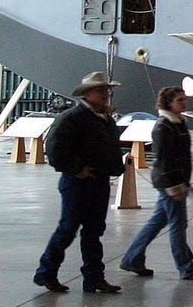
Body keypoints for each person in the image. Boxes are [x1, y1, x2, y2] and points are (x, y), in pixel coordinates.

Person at [34, 71, 127, 294]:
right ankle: (46, 273)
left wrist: (114, 168)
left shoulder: (104, 118)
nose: (106, 94)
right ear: (87, 94)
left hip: (99, 181)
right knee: (67, 230)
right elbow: (54, 149)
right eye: (101, 90)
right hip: (77, 183)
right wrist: (78, 170)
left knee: (94, 232)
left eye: (107, 90)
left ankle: (94, 278)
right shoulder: (72, 118)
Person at [121, 86, 193, 281]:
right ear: (169, 103)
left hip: (175, 181)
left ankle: (132, 258)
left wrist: (184, 182)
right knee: (178, 224)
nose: (185, 103)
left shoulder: (177, 123)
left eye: (184, 99)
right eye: (180, 100)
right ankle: (186, 266)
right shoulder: (164, 127)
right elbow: (164, 160)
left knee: (157, 221)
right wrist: (175, 187)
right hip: (170, 183)